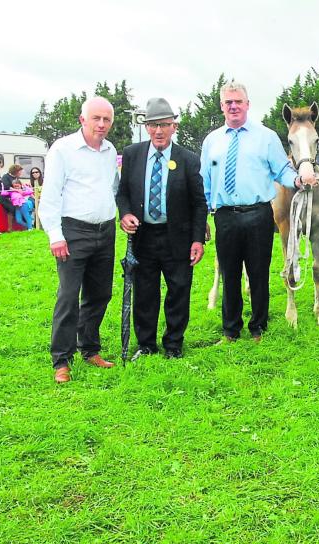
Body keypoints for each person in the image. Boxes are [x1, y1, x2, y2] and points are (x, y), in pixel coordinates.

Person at [200, 80, 316, 342]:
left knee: (258, 272)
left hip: (259, 214)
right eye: (228, 102)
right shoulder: (212, 141)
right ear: (221, 106)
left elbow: (282, 170)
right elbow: (204, 179)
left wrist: (298, 179)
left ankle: (258, 329)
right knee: (229, 274)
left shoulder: (266, 137)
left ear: (247, 105)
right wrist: (203, 217)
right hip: (225, 216)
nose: (233, 106)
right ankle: (231, 330)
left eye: (238, 101)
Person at [117, 97, 208, 359]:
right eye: (154, 125)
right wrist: (125, 214)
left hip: (177, 237)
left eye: (165, 125)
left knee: (179, 290)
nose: (159, 131)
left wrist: (197, 240)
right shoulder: (132, 155)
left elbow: (199, 204)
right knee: (145, 293)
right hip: (143, 237)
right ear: (146, 127)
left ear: (174, 127)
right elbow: (122, 194)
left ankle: (173, 344)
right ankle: (146, 344)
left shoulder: (188, 159)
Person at [38, 97, 119, 384]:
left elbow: (112, 188)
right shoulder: (63, 150)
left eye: (106, 119)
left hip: (105, 231)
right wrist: (56, 236)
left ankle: (90, 349)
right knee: (69, 297)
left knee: (99, 294)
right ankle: (61, 359)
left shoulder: (110, 151)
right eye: (96, 118)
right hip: (73, 232)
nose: (101, 124)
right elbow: (49, 197)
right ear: (82, 119)